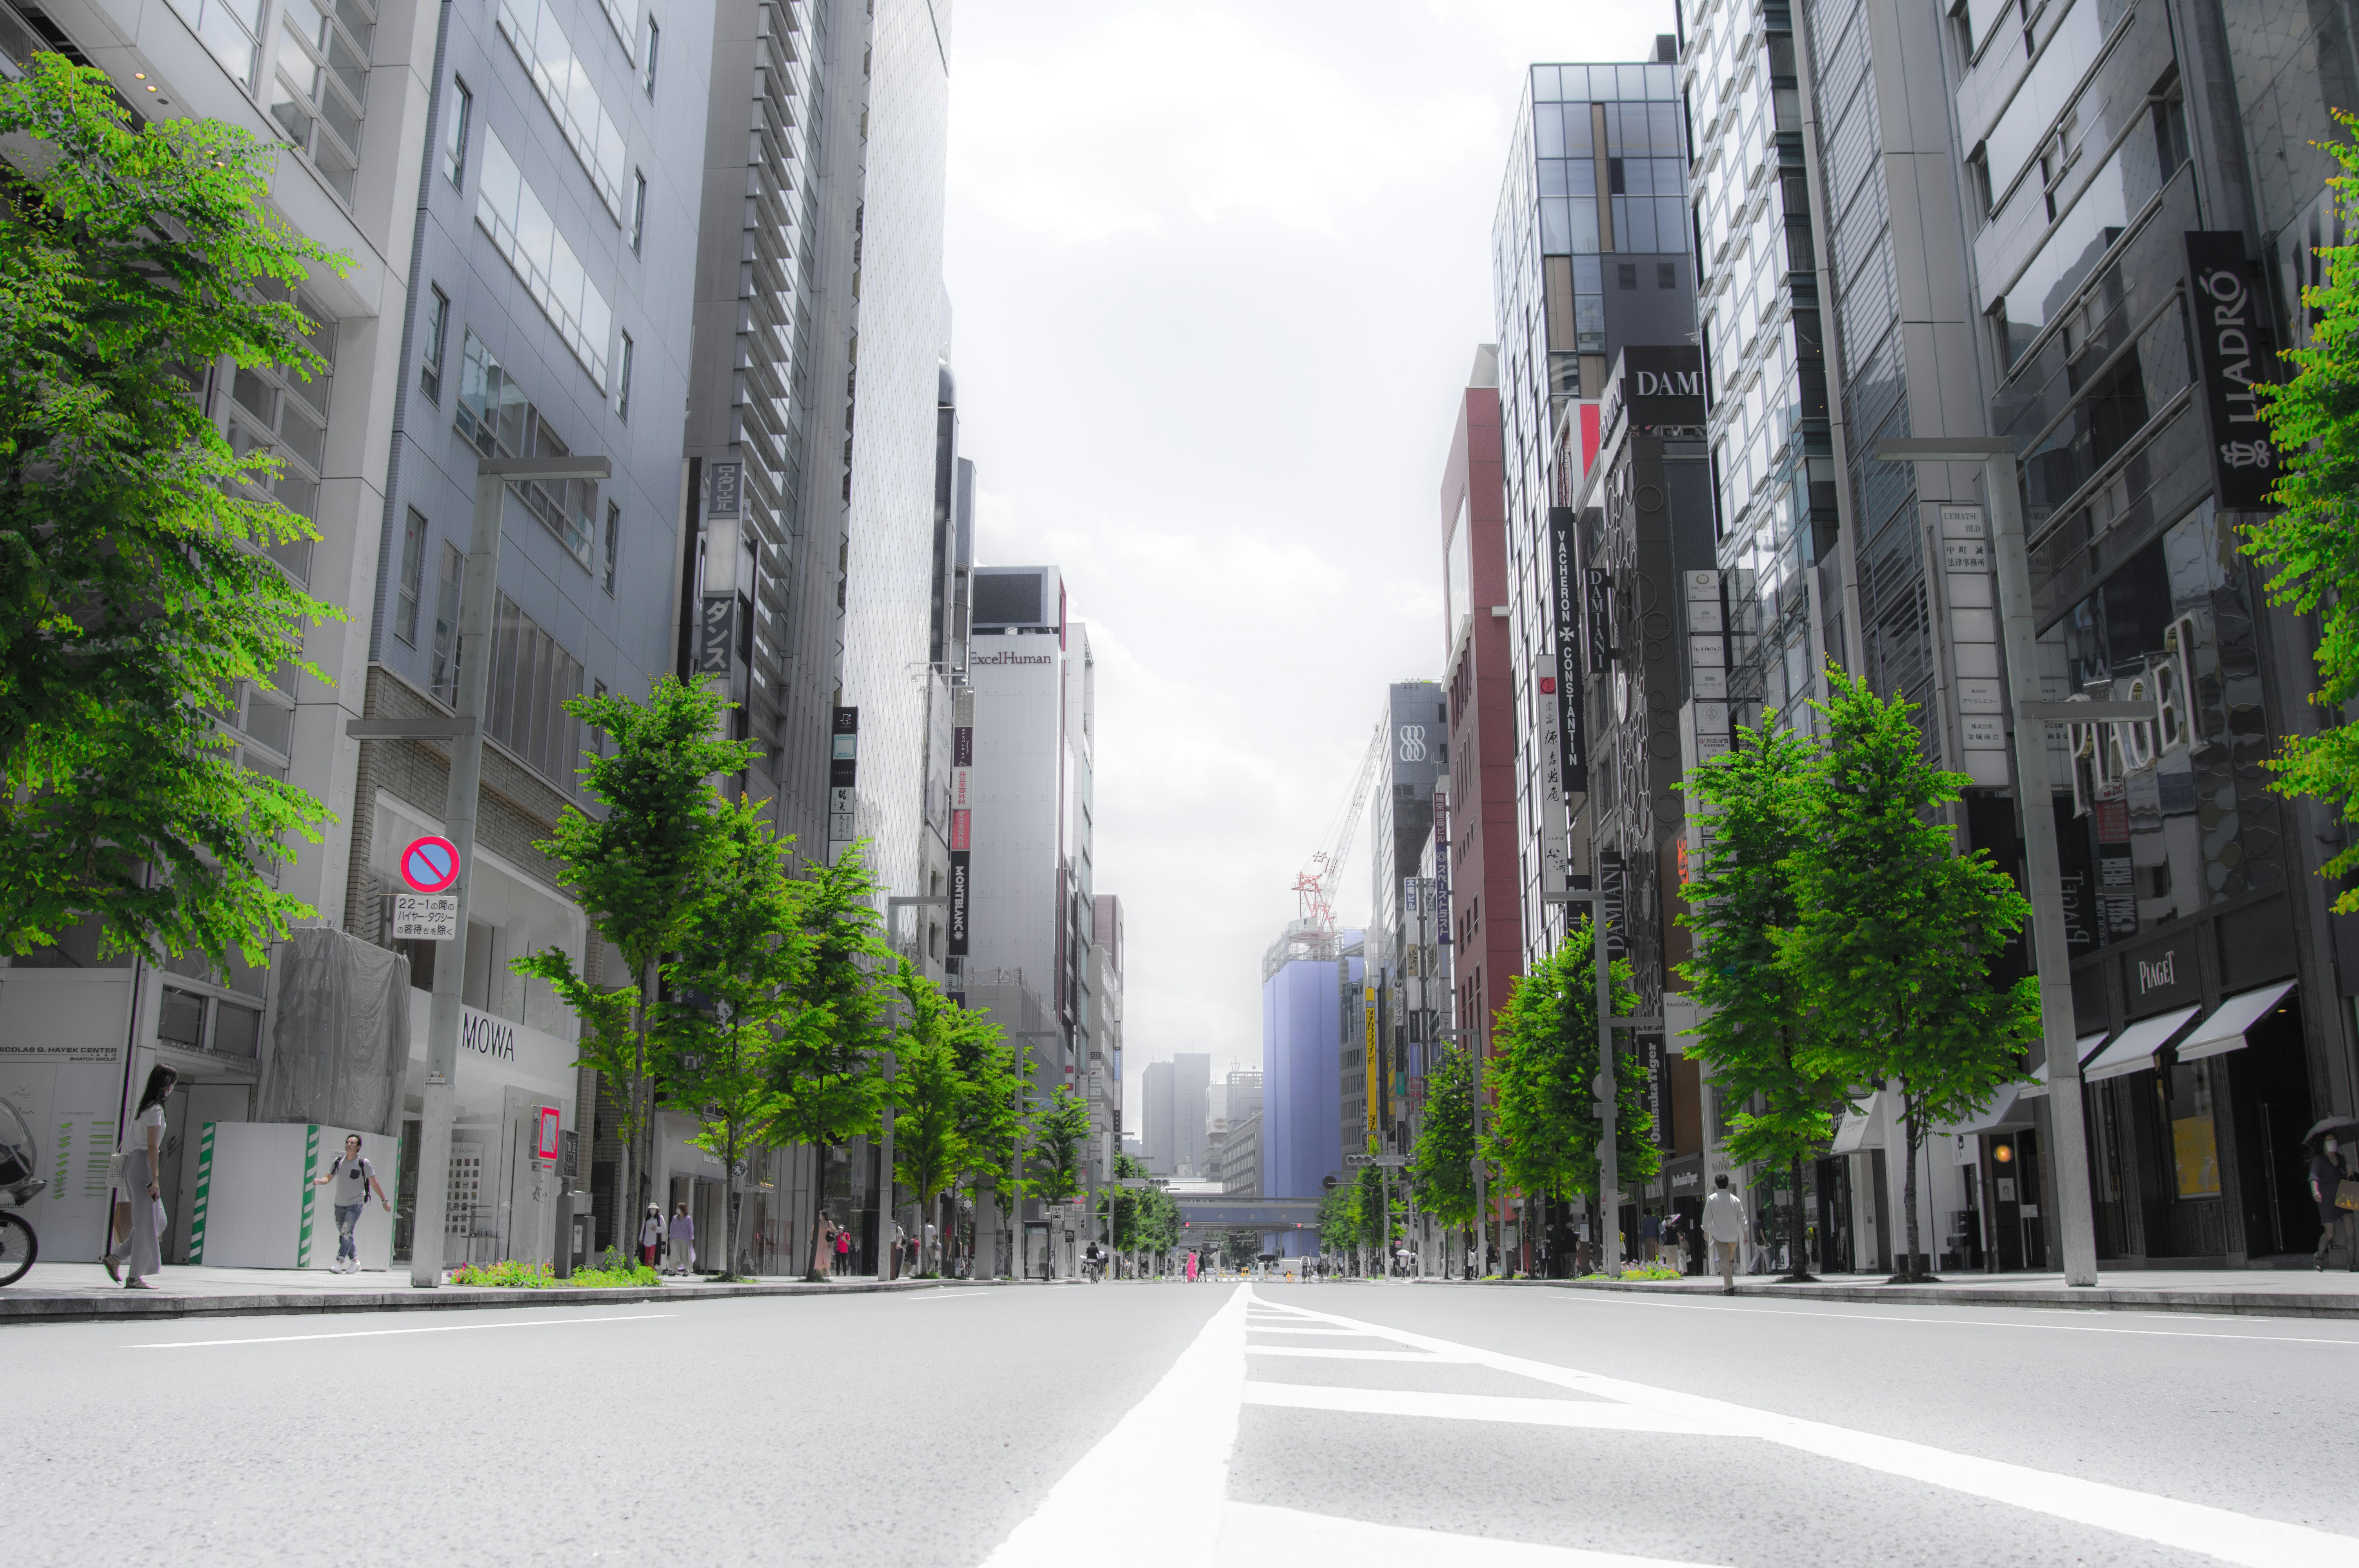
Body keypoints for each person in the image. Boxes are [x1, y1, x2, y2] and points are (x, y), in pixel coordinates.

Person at [106, 1065, 177, 1289]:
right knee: (147, 1224)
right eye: (172, 1083)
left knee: (158, 1222)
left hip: (134, 1163)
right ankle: (134, 1278)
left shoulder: (143, 1108)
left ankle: (116, 1257)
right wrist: (155, 1178)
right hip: (143, 1164)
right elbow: (153, 1146)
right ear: (165, 1085)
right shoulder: (155, 1110)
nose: (173, 1088)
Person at [311, 1133, 391, 1274]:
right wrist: (319, 1181)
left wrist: (384, 1200)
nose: (349, 1145)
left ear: (358, 1147)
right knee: (345, 1234)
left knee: (347, 1232)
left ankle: (339, 1262)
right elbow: (328, 1178)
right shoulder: (339, 1162)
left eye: (352, 1143)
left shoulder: (364, 1163)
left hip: (355, 1205)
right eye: (348, 1142)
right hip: (339, 1204)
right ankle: (355, 1262)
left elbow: (374, 1183)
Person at [2311, 1134, 2354, 1271]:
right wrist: (2315, 1191)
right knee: (2330, 1233)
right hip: (2327, 1198)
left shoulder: (2340, 1158)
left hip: (2343, 1194)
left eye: (2334, 1140)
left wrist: (2349, 1173)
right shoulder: (2319, 1159)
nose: (2332, 1142)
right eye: (2329, 1140)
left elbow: (2345, 1177)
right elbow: (2314, 1177)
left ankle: (2352, 1263)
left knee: (2351, 1229)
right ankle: (2319, 1256)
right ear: (2323, 1144)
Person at [1703, 1174, 1747, 1294]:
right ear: (1727, 1184)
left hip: (1719, 1236)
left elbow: (1707, 1217)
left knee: (1724, 1261)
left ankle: (1730, 1287)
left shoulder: (1712, 1199)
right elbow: (1742, 1217)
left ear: (1716, 1185)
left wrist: (1706, 1230)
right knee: (1729, 1261)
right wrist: (1746, 1234)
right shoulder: (1735, 1200)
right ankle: (1726, 1287)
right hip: (1733, 1236)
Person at [665, 1202, 694, 1276]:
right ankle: (673, 1270)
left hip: (685, 1240)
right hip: (674, 1239)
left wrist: (691, 1239)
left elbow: (691, 1229)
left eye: (679, 1208)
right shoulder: (675, 1218)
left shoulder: (688, 1219)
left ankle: (687, 1270)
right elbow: (672, 1228)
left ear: (683, 1209)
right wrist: (670, 1238)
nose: (677, 1210)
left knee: (684, 1255)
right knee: (674, 1255)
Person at [638, 1203, 663, 1269]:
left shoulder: (660, 1218)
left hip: (654, 1241)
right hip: (647, 1240)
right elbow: (643, 1229)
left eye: (654, 1210)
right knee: (647, 1257)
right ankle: (647, 1271)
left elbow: (664, 1228)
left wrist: (657, 1229)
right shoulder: (646, 1219)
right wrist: (641, 1239)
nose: (653, 1211)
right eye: (652, 1209)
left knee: (651, 1256)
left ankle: (651, 1270)